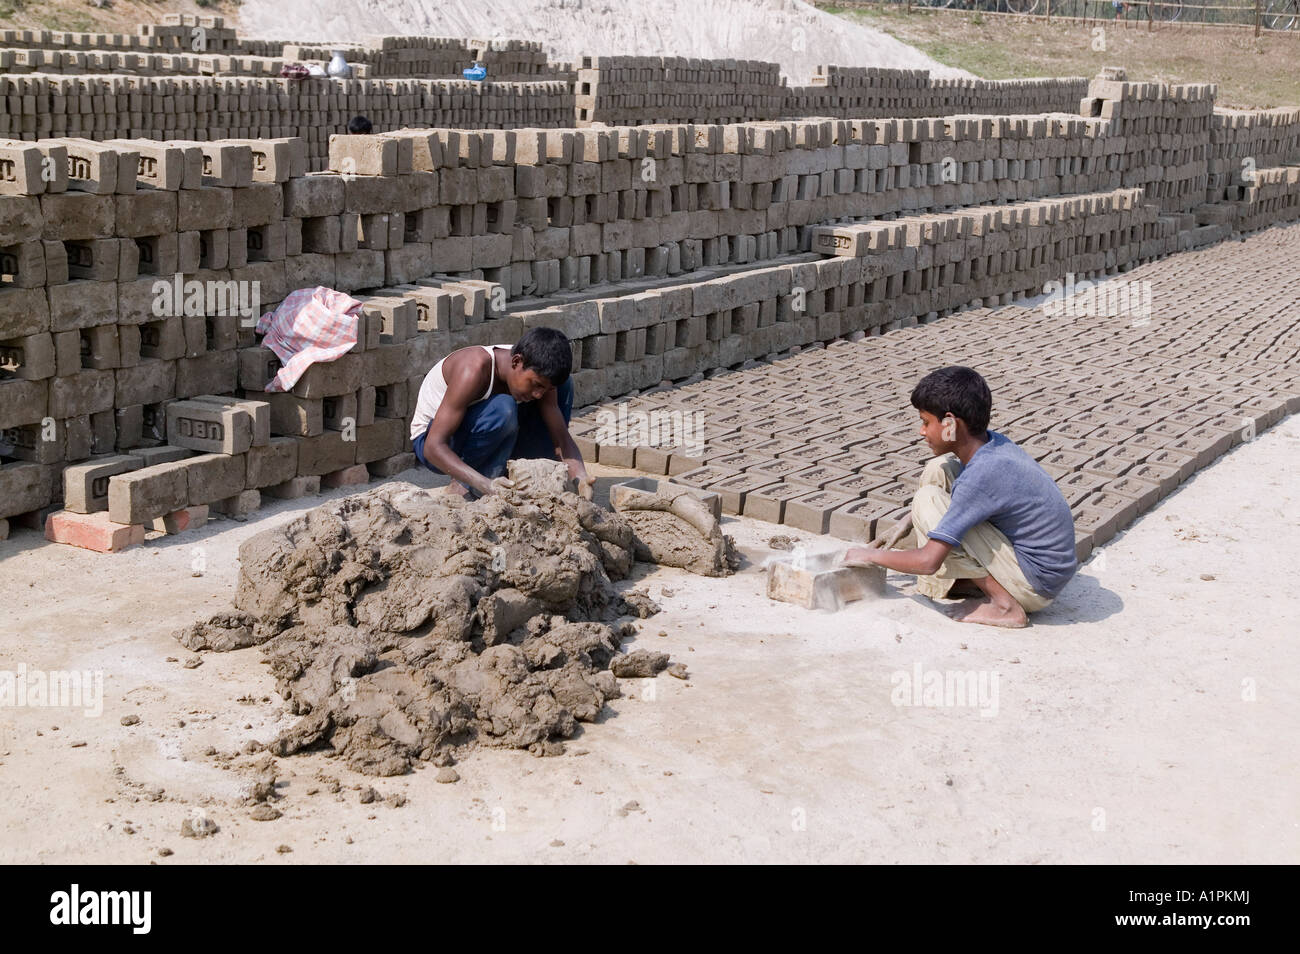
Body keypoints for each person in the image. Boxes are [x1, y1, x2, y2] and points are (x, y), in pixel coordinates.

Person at [842, 366, 1078, 628]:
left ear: (951, 424)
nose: (922, 432)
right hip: (1044, 570)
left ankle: (1004, 605)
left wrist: (867, 556)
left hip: (1035, 585)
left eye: (926, 422)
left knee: (928, 499)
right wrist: (903, 524)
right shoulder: (993, 444)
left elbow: (927, 561)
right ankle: (953, 582)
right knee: (940, 469)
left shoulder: (981, 476)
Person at [409, 327, 594, 500]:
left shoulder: (538, 374)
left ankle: (516, 475)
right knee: (503, 408)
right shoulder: (473, 369)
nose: (538, 394)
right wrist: (485, 484)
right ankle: (463, 485)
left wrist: (580, 476)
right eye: (536, 384)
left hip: (490, 431)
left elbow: (561, 439)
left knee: (563, 386)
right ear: (516, 362)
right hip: (435, 442)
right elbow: (433, 448)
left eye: (543, 388)